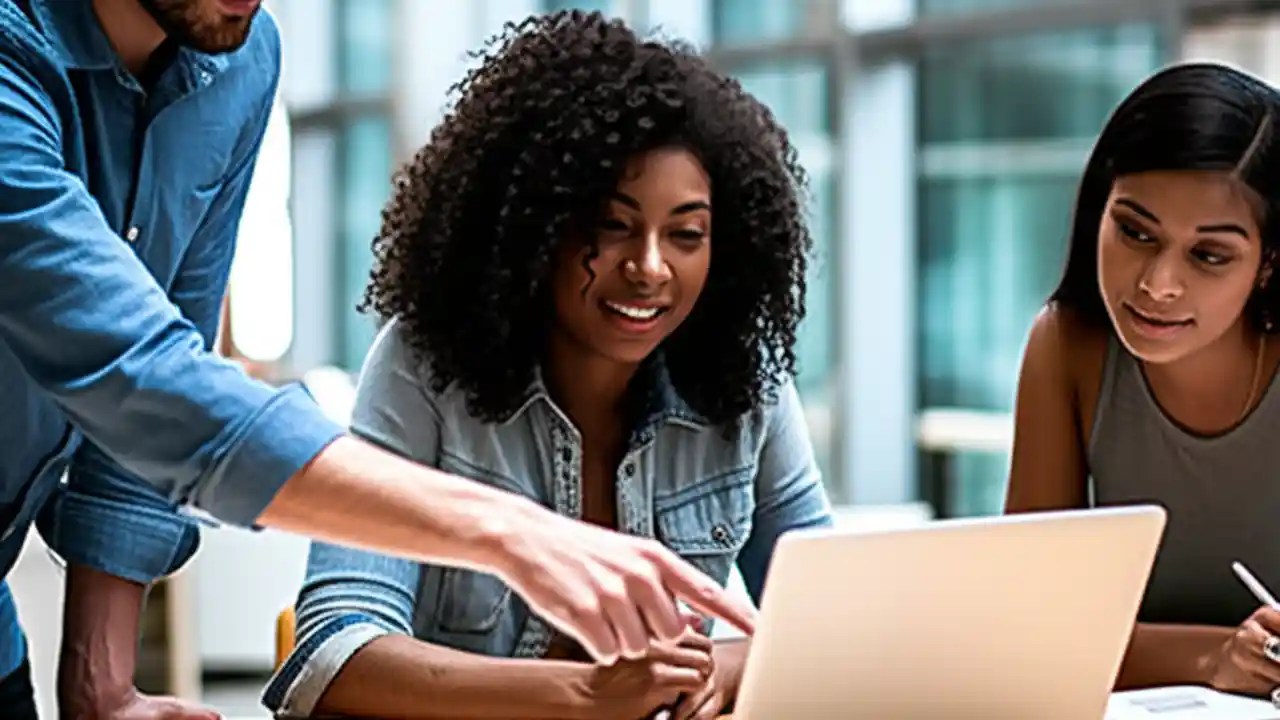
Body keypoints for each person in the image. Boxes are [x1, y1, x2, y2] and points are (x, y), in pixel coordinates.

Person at [0, 0, 756, 716]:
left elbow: (157, 378)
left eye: (686, 234)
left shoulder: (236, 60)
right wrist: (514, 532)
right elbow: (142, 377)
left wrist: (101, 685)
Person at [263, 10, 834, 720]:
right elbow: (333, 656)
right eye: (611, 226)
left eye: (686, 234)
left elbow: (831, 620)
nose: (650, 267)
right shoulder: (426, 368)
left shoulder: (744, 386)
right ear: (532, 227)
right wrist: (587, 697)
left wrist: (726, 667)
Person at [1004, 61, 1280, 700]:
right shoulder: (1067, 346)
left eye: (1209, 255)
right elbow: (1027, 627)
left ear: (1268, 265)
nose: (1158, 284)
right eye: (1134, 231)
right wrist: (1217, 655)